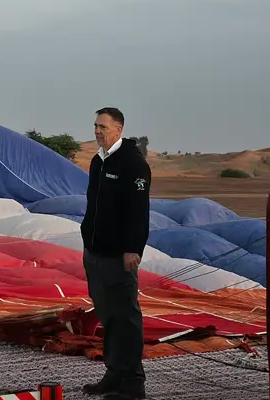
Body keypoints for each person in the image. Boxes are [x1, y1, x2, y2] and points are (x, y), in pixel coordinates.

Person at [80, 108, 151, 400]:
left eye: (103, 127)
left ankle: (133, 382)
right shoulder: (98, 161)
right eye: (95, 126)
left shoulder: (133, 164)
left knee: (126, 316)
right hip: (95, 252)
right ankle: (114, 373)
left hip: (119, 255)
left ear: (118, 129)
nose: (97, 131)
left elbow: (138, 212)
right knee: (108, 315)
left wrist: (132, 248)